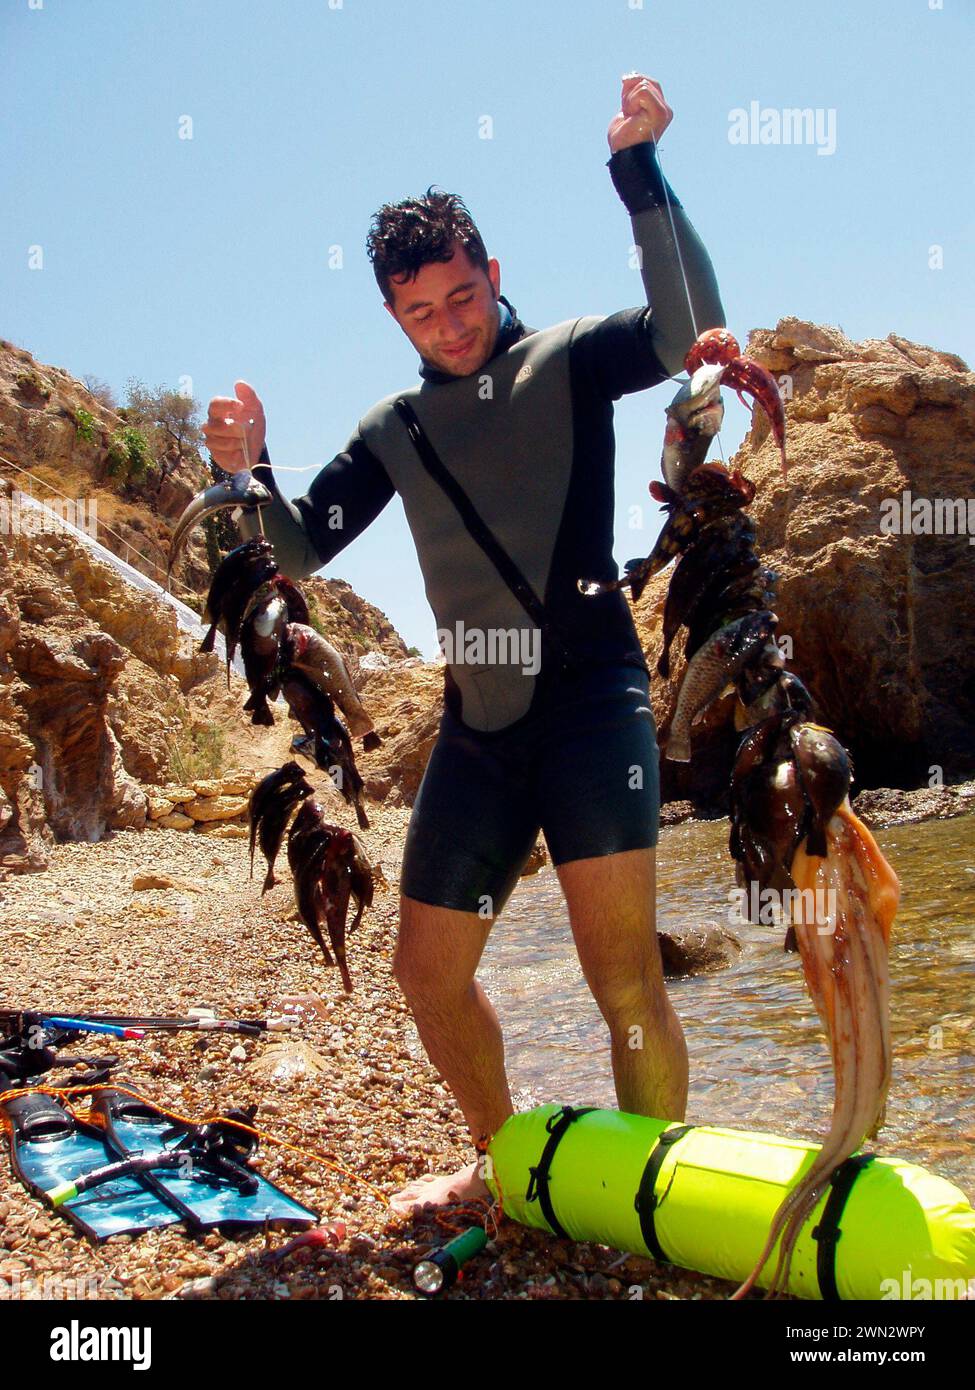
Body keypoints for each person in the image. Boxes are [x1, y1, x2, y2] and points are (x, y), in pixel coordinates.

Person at [204, 75, 725, 1214]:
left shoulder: (572, 361)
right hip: (480, 734)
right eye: (421, 311)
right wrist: (242, 470)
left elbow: (690, 334)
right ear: (394, 317)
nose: (449, 322)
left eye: (461, 294)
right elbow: (300, 545)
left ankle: (650, 1200)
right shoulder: (393, 430)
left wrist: (639, 172)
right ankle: (507, 1165)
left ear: (491, 271)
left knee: (624, 980)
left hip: (594, 707)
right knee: (427, 977)